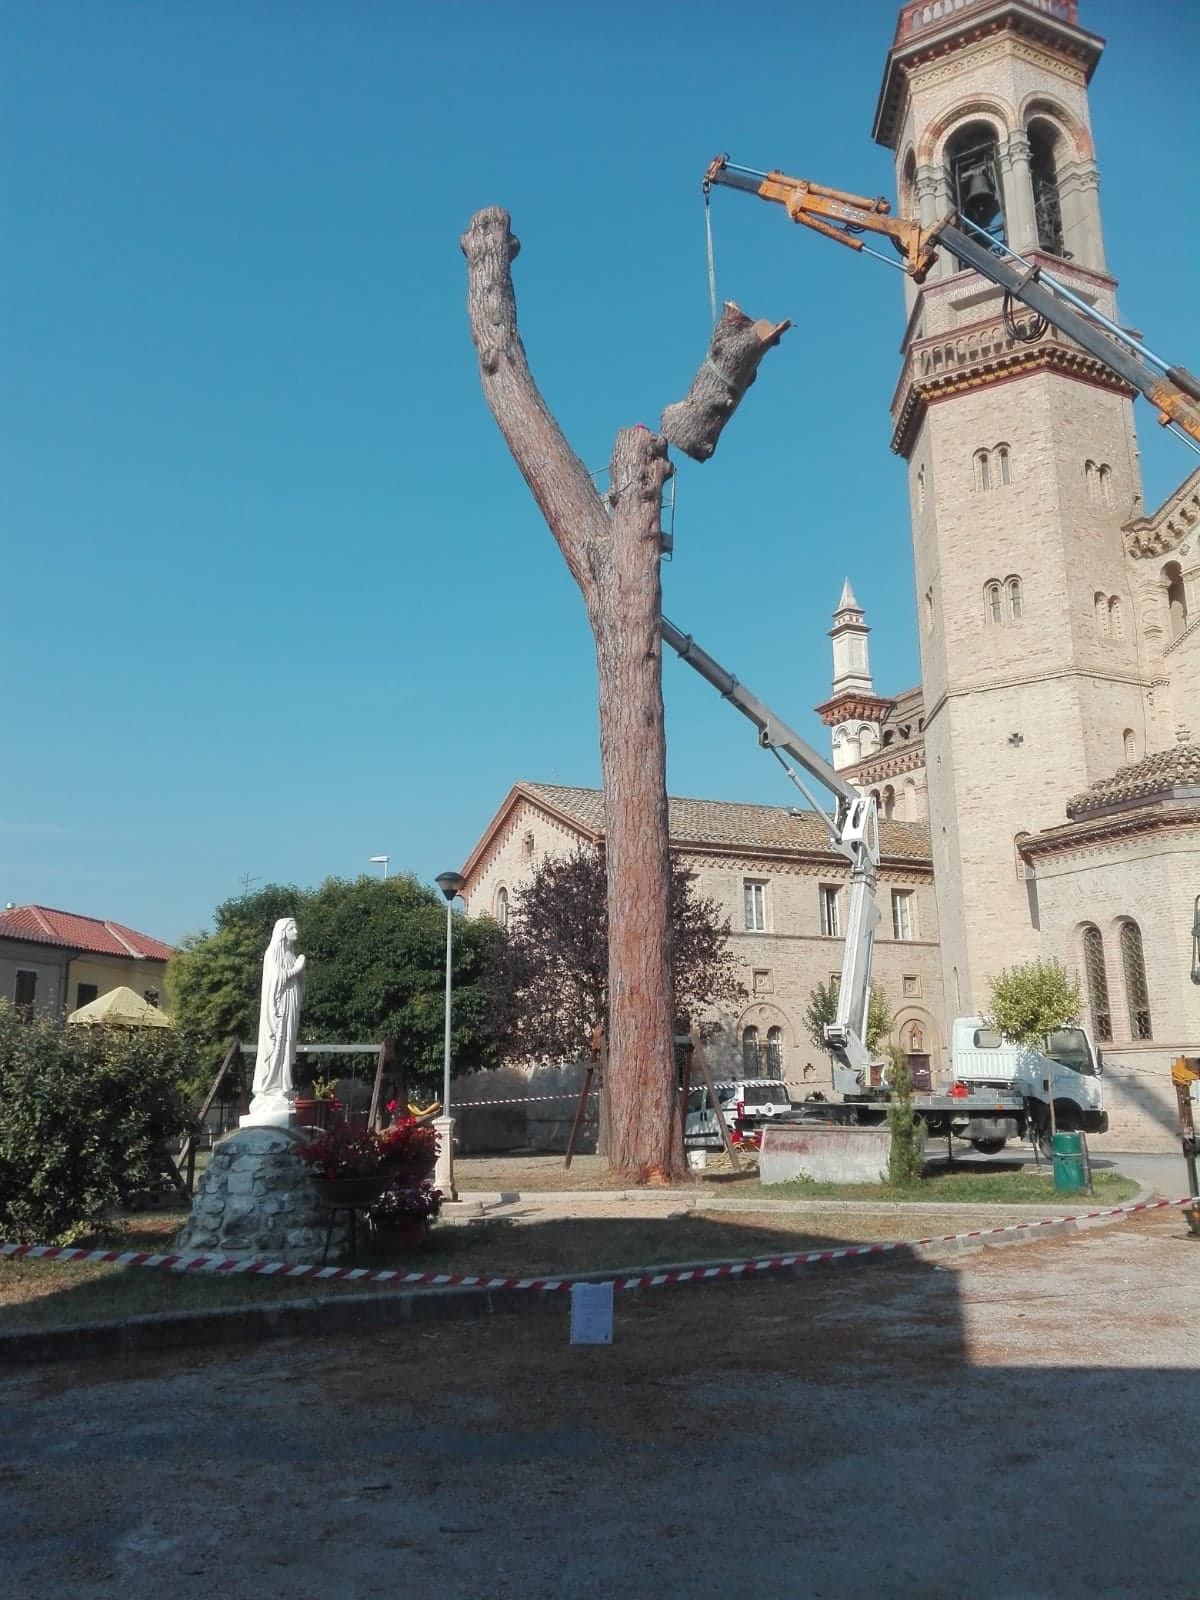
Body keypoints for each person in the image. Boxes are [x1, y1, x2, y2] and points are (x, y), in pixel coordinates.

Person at [251, 917, 306, 1104]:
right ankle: (269, 1085)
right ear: (283, 931)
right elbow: (275, 978)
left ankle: (284, 1084)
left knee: (287, 1044)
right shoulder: (273, 951)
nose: (296, 932)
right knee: (278, 1043)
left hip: (291, 1003)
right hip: (279, 1006)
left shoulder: (290, 954)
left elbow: (299, 982)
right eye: (292, 928)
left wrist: (300, 972)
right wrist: (297, 968)